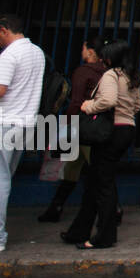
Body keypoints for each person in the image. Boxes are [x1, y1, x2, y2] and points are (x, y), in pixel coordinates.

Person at [61, 39, 140, 250]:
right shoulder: (131, 77)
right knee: (96, 181)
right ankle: (78, 230)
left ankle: (105, 236)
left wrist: (88, 106)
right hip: (127, 128)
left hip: (110, 131)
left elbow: (108, 101)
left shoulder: (111, 75)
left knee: (102, 184)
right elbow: (137, 106)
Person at [0, 14, 45, 254]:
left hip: (3, 124)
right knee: (2, 180)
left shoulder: (10, 54)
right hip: (23, 125)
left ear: (4, 30)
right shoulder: (36, 52)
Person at [38, 36, 105, 223]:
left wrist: (67, 124)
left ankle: (113, 210)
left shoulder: (84, 72)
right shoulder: (108, 71)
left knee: (92, 169)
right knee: (75, 167)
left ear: (91, 52)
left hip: (82, 126)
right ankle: (55, 207)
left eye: (84, 48)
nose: (82, 51)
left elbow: (76, 101)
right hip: (99, 126)